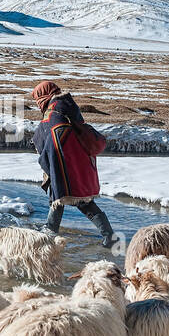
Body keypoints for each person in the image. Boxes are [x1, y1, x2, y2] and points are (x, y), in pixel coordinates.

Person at [29, 80, 116, 247]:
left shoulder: (54, 111)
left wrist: (40, 148)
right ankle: (109, 236)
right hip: (78, 163)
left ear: (43, 95)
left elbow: (46, 138)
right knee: (76, 200)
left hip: (64, 166)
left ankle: (51, 232)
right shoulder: (66, 106)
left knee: (67, 198)